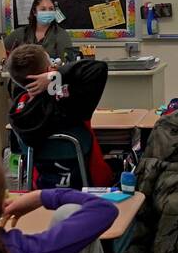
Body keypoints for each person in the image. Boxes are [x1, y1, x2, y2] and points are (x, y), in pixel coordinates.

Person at [7, 43, 110, 188]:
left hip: (42, 192)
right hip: (88, 185)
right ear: (49, 70)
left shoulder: (18, 112)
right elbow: (98, 68)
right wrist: (57, 75)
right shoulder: (71, 101)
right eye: (52, 62)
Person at [3, 0, 73, 61]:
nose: (47, 12)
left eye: (51, 9)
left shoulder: (62, 35)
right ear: (34, 12)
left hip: (50, 73)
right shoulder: (20, 33)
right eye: (43, 9)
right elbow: (1, 50)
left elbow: (67, 64)